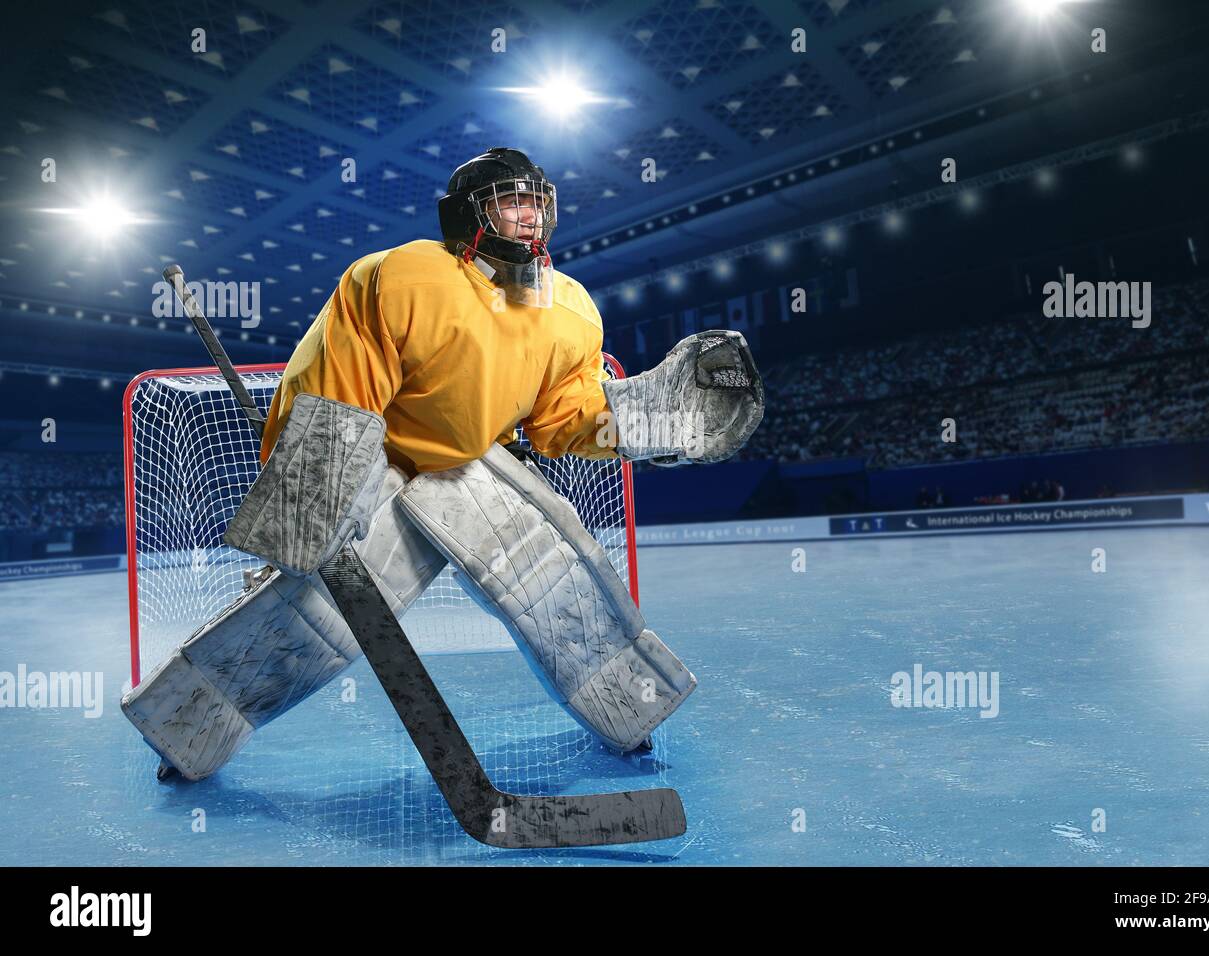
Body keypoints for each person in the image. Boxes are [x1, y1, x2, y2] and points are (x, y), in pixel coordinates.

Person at [123, 147, 765, 781]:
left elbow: (562, 414)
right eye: (510, 202)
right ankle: (184, 733)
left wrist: (648, 416)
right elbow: (336, 387)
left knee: (559, 582)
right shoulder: (400, 277)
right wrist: (309, 512)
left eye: (536, 204)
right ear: (468, 214)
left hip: (468, 468)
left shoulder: (568, 307)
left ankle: (631, 715)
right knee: (309, 619)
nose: (528, 217)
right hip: (378, 462)